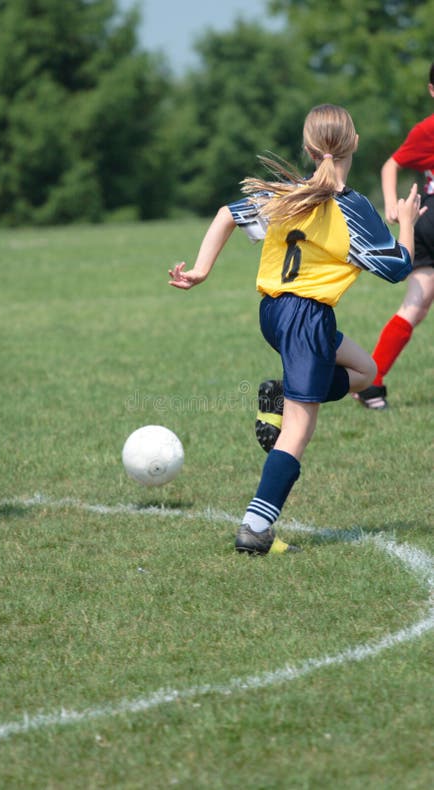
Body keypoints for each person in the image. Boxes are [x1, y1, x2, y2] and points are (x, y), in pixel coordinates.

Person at [168, 104, 422, 555]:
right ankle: (255, 527)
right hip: (307, 319)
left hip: (274, 313)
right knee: (298, 430)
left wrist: (202, 270)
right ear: (355, 143)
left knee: (365, 371)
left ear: (308, 148)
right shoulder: (353, 208)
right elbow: (400, 268)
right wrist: (406, 224)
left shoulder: (286, 193)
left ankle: (282, 396)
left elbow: (228, 213)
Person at [353, 62, 434, 409]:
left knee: (415, 305)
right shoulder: (429, 129)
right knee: (415, 305)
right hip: (429, 223)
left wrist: (392, 204)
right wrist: (390, 204)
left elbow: (390, 164)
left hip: (427, 221)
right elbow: (392, 164)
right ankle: (370, 382)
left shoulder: (427, 128)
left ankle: (371, 384)